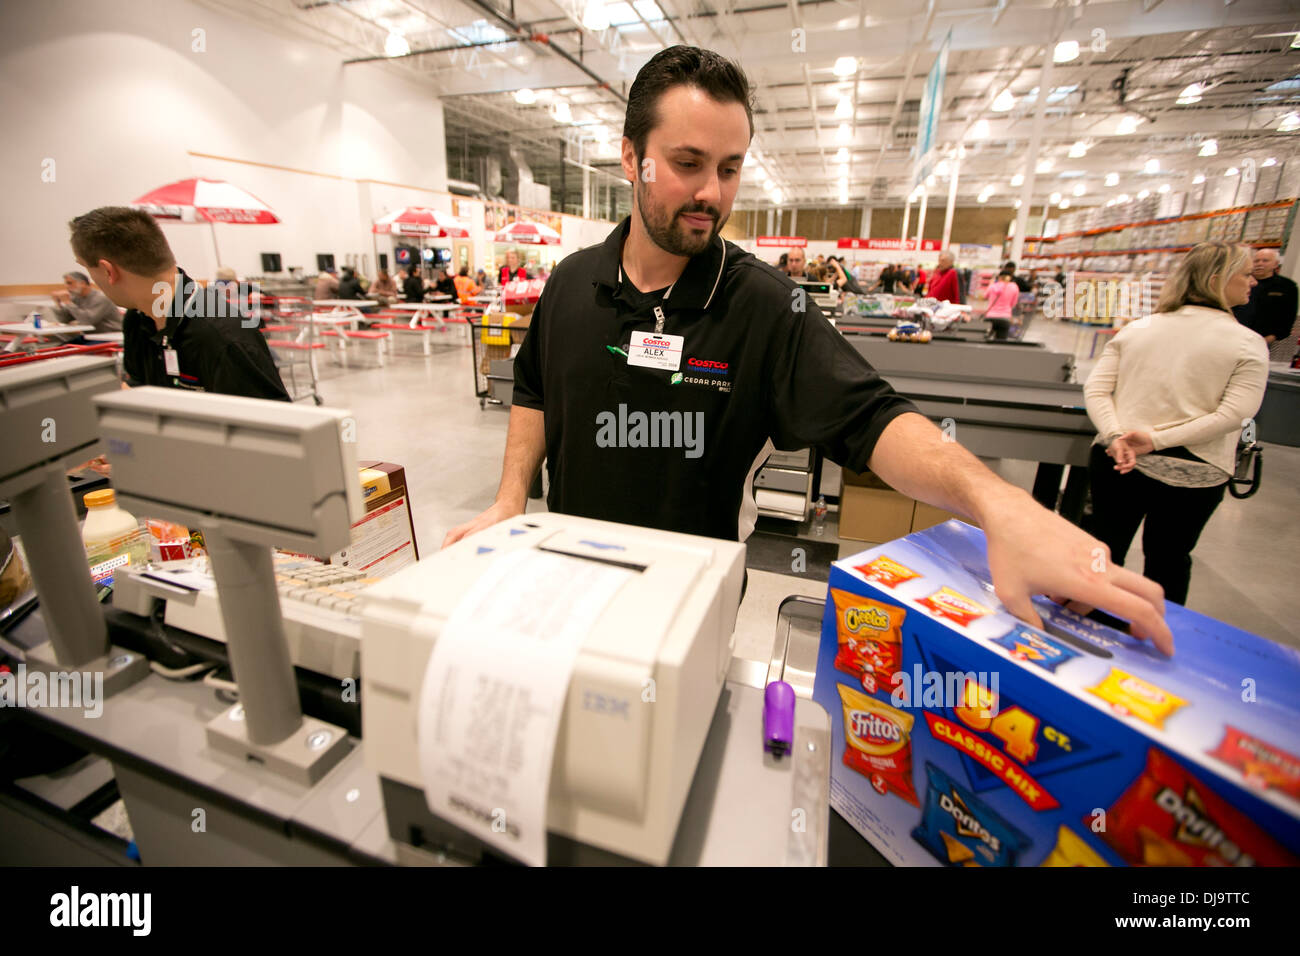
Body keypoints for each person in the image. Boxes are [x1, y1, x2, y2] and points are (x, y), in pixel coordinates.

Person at [443, 45, 1173, 652]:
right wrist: (512, 499)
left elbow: (872, 417)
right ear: (630, 158)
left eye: (729, 169)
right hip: (560, 581)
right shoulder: (572, 282)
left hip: (683, 614)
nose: (711, 192)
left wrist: (997, 503)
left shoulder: (761, 305)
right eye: (689, 162)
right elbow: (536, 388)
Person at [1083, 241, 1267, 607]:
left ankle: (1080, 632)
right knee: (1169, 561)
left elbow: (1097, 389)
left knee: (1102, 552)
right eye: (1247, 273)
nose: (1254, 282)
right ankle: (1154, 646)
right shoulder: (1247, 343)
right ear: (1218, 279)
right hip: (1195, 472)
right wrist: (1155, 440)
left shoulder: (1138, 329)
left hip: (1119, 460)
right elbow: (1233, 416)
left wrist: (1116, 435)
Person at [68, 207, 289, 401]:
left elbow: (274, 435)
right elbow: (136, 389)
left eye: (87, 268)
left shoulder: (223, 337)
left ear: (108, 271)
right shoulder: (137, 320)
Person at [1232, 247, 1298, 352]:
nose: (1259, 263)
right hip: (1235, 336)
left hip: (1265, 341)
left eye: (1265, 260)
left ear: (1276, 264)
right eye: (1256, 260)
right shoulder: (1240, 281)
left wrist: (1268, 339)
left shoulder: (1286, 286)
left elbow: (1288, 317)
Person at [49, 270, 122, 334]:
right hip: (91, 336)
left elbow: (87, 321)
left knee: (72, 348)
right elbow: (65, 320)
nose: (66, 286)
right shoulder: (76, 297)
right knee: (63, 346)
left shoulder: (101, 298)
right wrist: (58, 304)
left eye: (69, 283)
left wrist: (68, 303)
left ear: (82, 284)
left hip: (109, 335)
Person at [983, 270, 1021, 341]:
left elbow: (984, 297)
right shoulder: (1014, 287)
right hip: (1005, 318)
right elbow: (1013, 304)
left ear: (999, 277)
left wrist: (991, 284)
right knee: (1001, 342)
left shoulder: (993, 286)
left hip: (990, 317)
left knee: (985, 340)